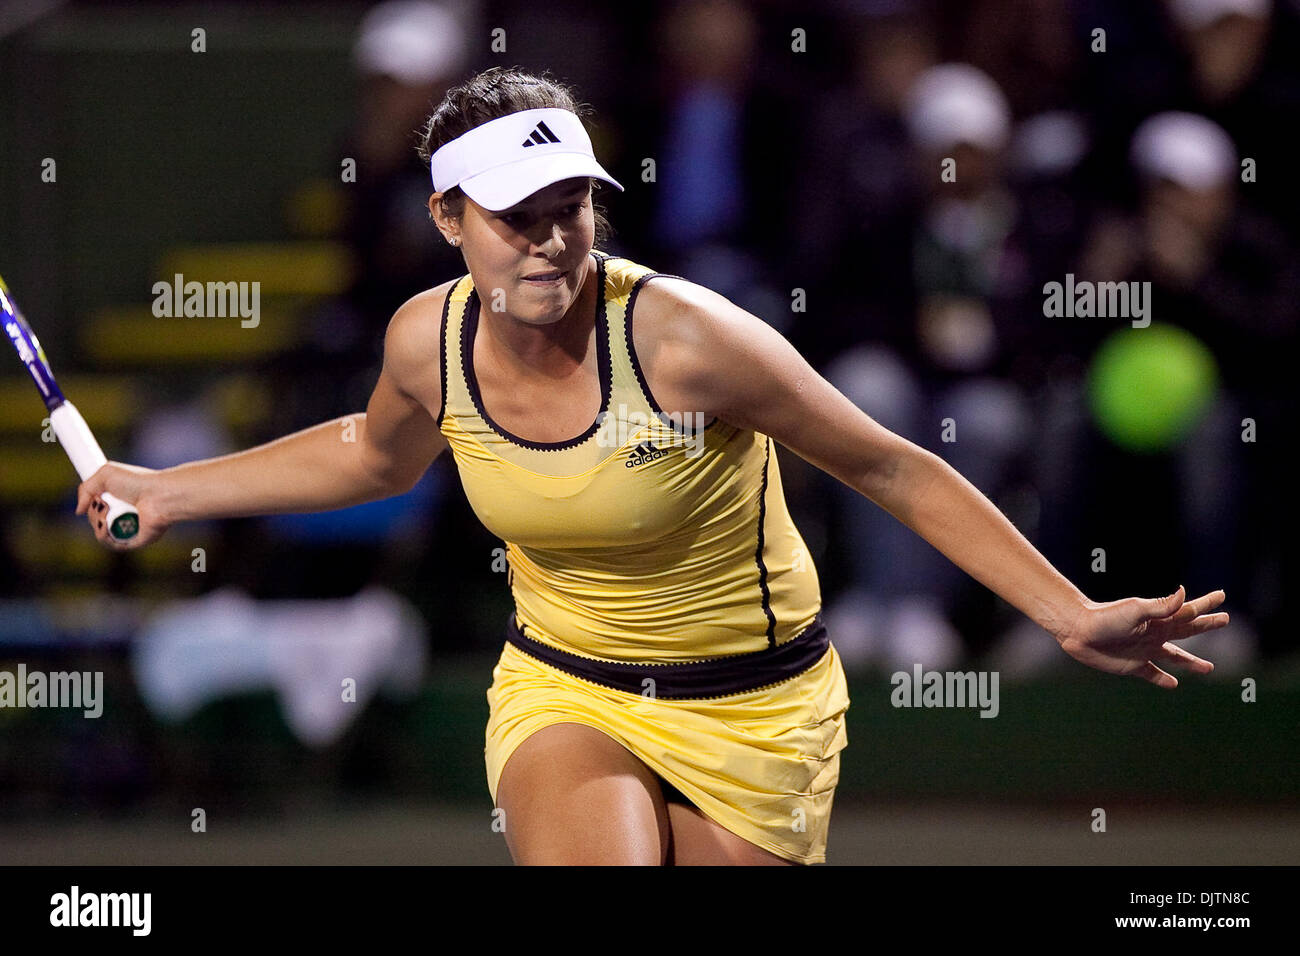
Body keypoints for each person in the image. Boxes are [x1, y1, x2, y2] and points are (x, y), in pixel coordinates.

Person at [76, 67, 1230, 866]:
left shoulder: (687, 340)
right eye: (514, 211)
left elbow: (888, 466)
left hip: (759, 707)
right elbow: (372, 455)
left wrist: (1065, 609)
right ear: (446, 218)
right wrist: (168, 489)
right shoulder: (421, 341)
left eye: (571, 203)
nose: (551, 236)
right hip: (566, 684)